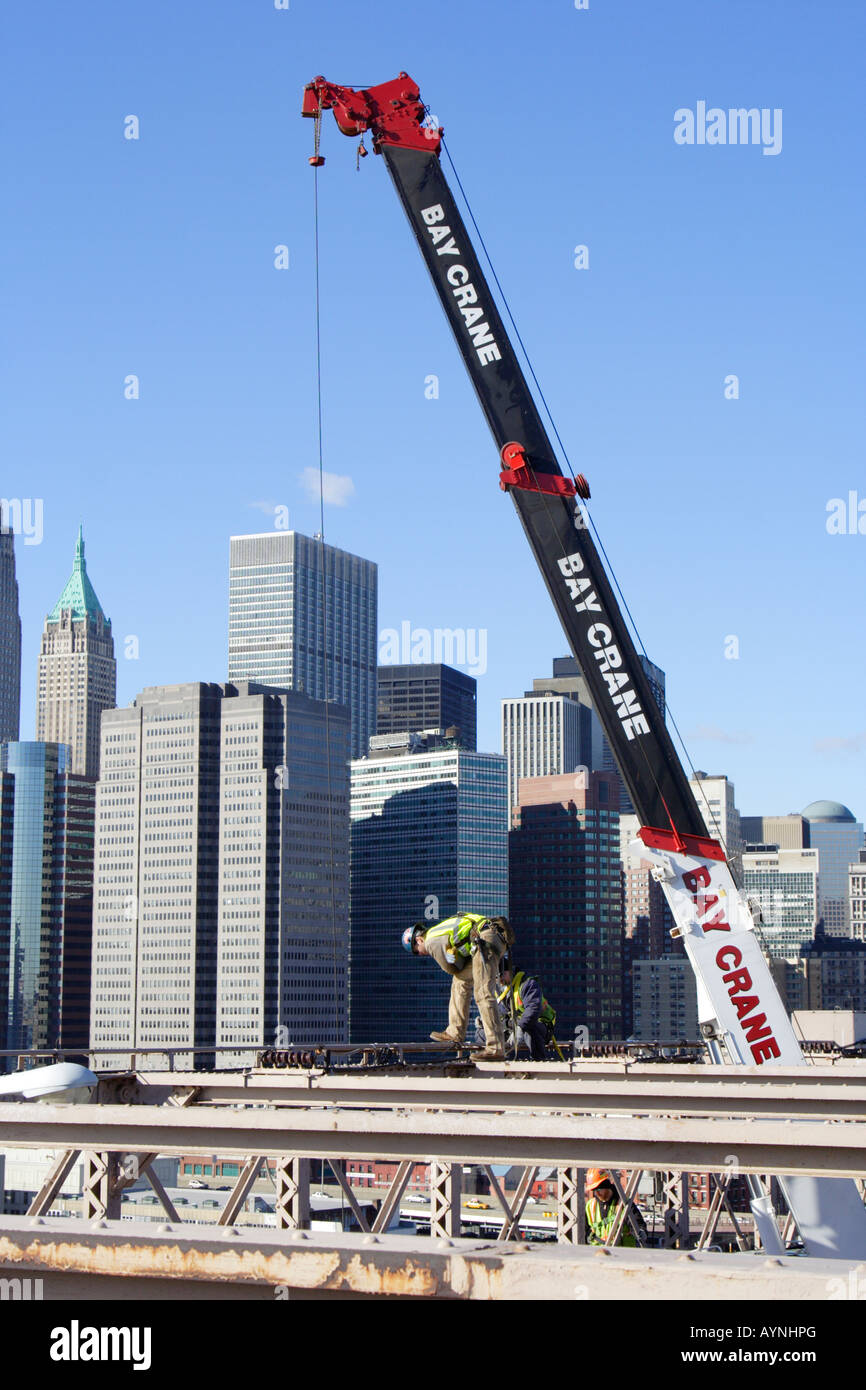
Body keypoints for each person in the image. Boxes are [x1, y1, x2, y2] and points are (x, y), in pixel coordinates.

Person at [403, 914, 512, 1061]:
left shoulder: (430, 941)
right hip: (489, 937)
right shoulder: (439, 930)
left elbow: (451, 968)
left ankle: (495, 1048)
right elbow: (458, 970)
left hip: (485, 940)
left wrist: (453, 958)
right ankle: (455, 1032)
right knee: (460, 981)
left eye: (417, 951)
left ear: (418, 940)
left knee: (483, 993)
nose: (421, 954)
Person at [497, 967, 557, 1061]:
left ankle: (538, 1060)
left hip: (539, 1024)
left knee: (530, 1027)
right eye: (496, 977)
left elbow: (533, 1009)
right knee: (481, 1032)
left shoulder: (527, 984)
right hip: (514, 1025)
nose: (499, 980)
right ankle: (494, 1058)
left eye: (501, 975)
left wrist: (520, 1027)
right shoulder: (499, 990)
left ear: (509, 971)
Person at [584, 1168, 647, 1247]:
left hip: (622, 1253)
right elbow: (584, 1229)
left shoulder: (623, 1204)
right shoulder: (590, 1206)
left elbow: (637, 1223)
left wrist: (641, 1231)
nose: (596, 1193)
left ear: (606, 1185)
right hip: (599, 1253)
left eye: (599, 1189)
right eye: (594, 1190)